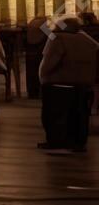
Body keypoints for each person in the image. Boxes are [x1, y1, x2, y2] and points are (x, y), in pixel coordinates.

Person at [38, 15, 98, 155]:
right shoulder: (87, 40)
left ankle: (56, 142)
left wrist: (43, 76)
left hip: (58, 83)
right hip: (83, 84)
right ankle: (78, 143)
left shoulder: (57, 38)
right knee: (79, 115)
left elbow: (50, 62)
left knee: (54, 115)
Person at [25, 13, 50, 98]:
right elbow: (52, 36)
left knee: (31, 73)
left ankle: (32, 93)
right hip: (40, 53)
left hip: (30, 53)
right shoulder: (43, 23)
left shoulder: (31, 23)